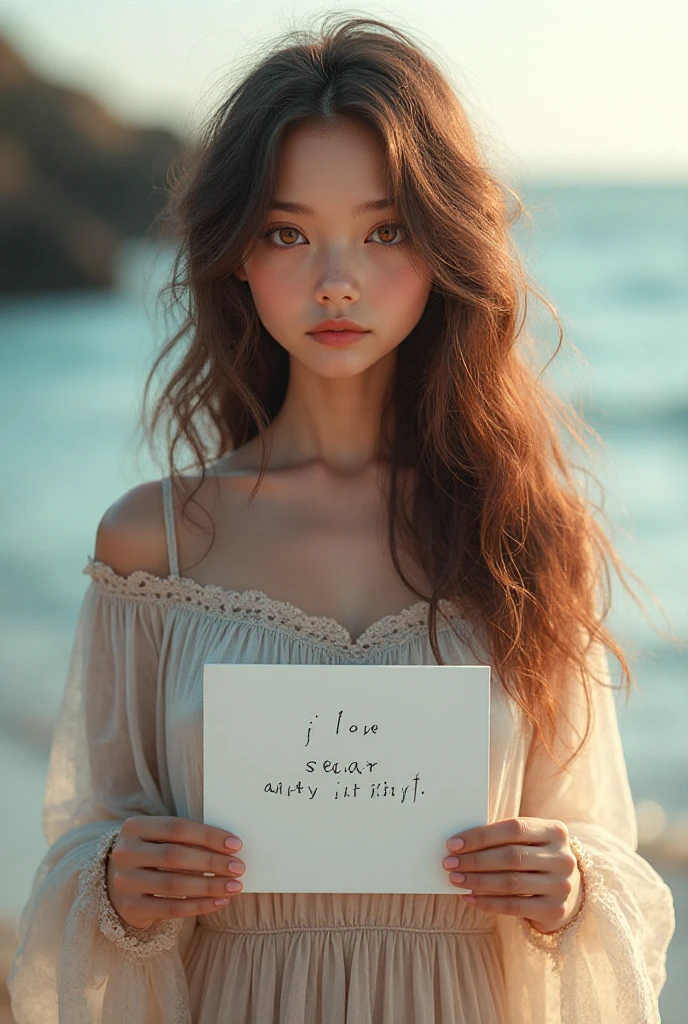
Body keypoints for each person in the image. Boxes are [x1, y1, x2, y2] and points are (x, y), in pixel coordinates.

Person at [8, 13, 675, 1024]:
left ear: (444, 244)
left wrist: (569, 886)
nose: (335, 280)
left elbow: (607, 862)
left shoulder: (526, 537)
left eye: (383, 230)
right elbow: (75, 858)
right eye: (287, 232)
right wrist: (117, 881)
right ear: (234, 253)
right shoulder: (157, 543)